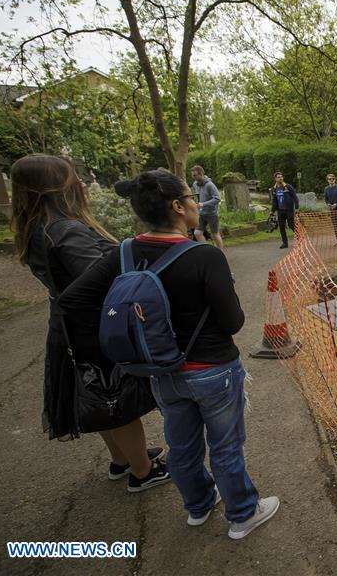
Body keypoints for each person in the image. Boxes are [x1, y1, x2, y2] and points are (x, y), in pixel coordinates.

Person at [58, 170, 279, 539]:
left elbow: (72, 299)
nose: (195, 203)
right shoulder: (205, 256)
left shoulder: (124, 252)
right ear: (178, 207)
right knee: (225, 447)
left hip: (162, 371)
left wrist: (123, 328)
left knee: (182, 444)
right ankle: (243, 514)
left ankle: (198, 506)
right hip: (213, 370)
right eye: (191, 199)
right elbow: (233, 321)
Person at [9, 153, 169, 492]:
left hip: (67, 325)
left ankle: (123, 458)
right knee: (116, 400)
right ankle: (143, 471)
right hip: (95, 326)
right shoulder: (67, 231)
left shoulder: (39, 227)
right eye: (73, 179)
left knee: (97, 393)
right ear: (56, 189)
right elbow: (100, 283)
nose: (81, 185)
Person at [191, 165, 224, 250]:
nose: (193, 177)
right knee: (197, 233)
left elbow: (217, 198)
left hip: (212, 214)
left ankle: (220, 253)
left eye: (195, 175)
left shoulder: (210, 185)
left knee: (214, 234)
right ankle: (207, 252)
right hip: (201, 214)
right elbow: (197, 196)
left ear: (201, 174)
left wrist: (203, 204)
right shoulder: (195, 184)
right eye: (193, 175)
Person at [270, 172, 298, 249]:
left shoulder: (288, 187)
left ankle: (300, 238)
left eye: (281, 177)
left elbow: (295, 197)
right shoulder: (274, 189)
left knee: (291, 225)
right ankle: (285, 243)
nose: (281, 178)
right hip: (280, 211)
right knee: (281, 227)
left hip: (289, 210)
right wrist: (272, 211)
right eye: (279, 177)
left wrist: (296, 208)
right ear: (275, 179)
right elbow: (274, 201)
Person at [323, 173, 337, 246]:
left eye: (333, 179)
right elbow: (326, 200)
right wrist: (329, 204)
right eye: (329, 179)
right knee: (335, 226)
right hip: (332, 210)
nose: (331, 180)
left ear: (335, 180)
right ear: (327, 180)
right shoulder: (326, 189)